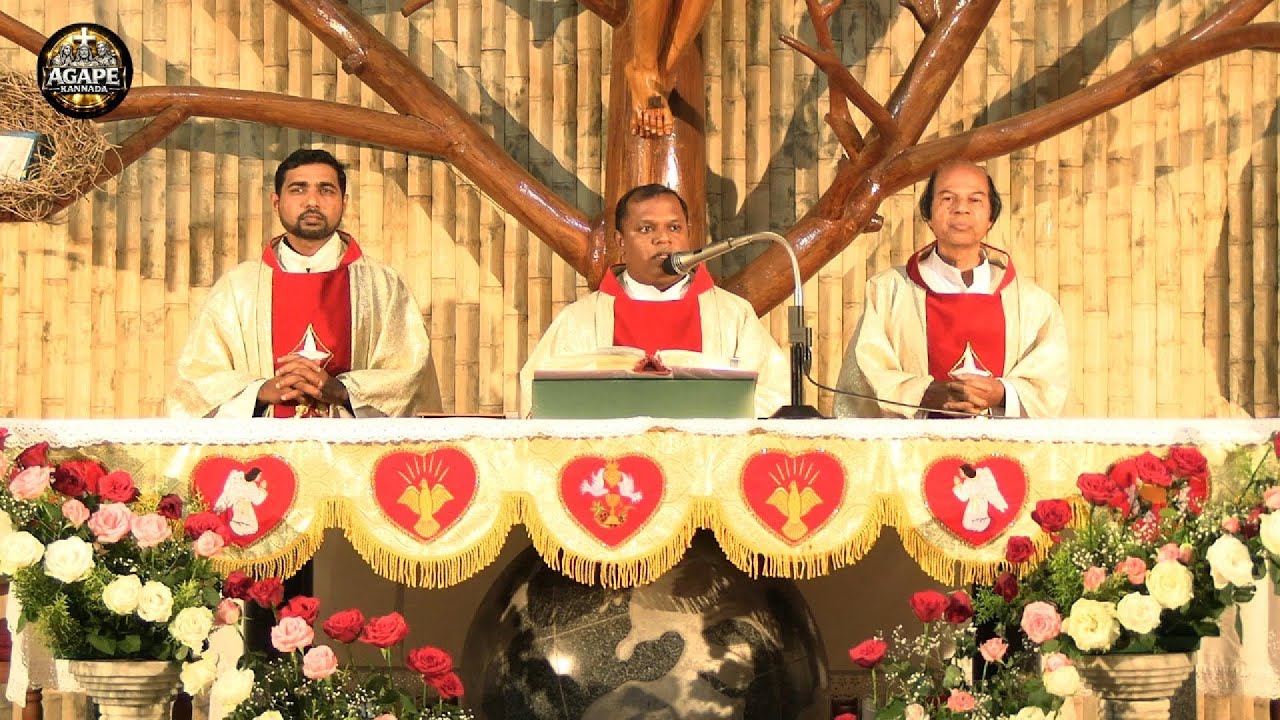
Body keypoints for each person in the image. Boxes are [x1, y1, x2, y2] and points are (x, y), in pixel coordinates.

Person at [165, 147, 432, 418]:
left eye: (326, 190)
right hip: (261, 454)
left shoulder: (381, 285)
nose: (312, 201)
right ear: (276, 202)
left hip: (353, 454)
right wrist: (259, 391)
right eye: (298, 189)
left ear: (344, 202)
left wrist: (344, 391)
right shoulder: (238, 288)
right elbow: (195, 381)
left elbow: (409, 373)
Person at [519, 184, 789, 417]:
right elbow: (539, 398)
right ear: (620, 241)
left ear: (689, 233)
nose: (663, 239)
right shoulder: (580, 320)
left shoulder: (732, 315)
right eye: (646, 229)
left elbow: (773, 394)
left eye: (674, 227)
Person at [833, 161, 1069, 418]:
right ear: (928, 214)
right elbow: (866, 376)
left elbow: (1049, 384)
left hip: (1003, 454)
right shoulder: (888, 292)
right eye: (948, 198)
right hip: (913, 452)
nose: (961, 209)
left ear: (991, 217)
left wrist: (1002, 393)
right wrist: (923, 393)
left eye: (975, 200)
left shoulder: (1033, 303)